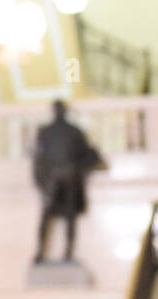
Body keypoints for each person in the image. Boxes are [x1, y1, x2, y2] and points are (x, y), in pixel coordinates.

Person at [32, 100, 104, 263]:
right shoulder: (58, 132)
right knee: (56, 216)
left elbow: (38, 159)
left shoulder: (66, 132)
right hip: (59, 179)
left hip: (63, 179)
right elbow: (39, 158)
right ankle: (48, 252)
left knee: (63, 216)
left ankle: (62, 253)